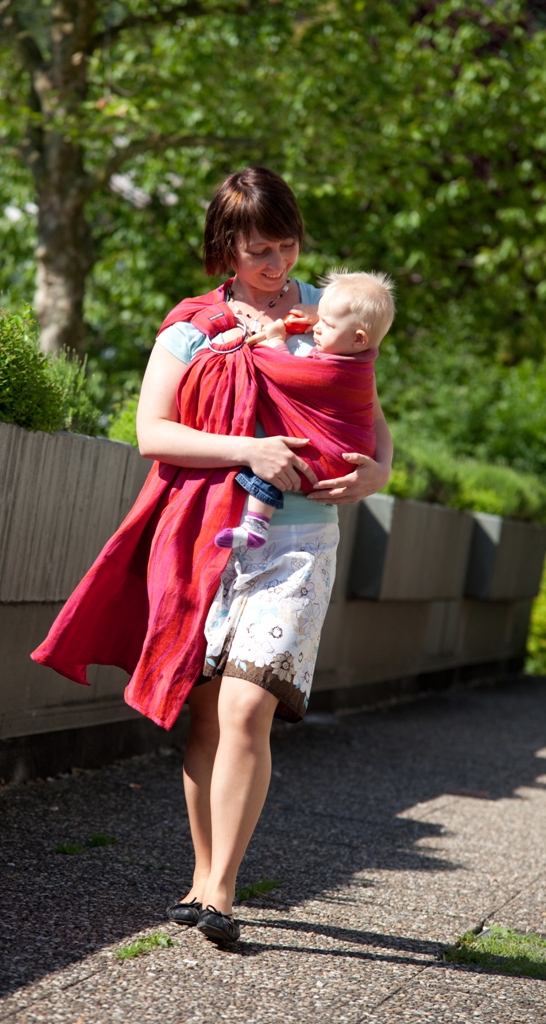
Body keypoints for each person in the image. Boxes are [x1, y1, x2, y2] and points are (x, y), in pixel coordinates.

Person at [136, 167, 393, 942]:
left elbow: (367, 410)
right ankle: (198, 879)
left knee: (250, 707)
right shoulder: (190, 327)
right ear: (226, 247)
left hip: (300, 544)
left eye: (286, 248)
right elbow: (153, 432)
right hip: (210, 539)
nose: (278, 268)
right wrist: (246, 447)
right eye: (259, 253)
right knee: (207, 719)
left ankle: (220, 892)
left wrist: (378, 471)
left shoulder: (329, 311)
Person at [213, 269, 395, 552]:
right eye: (318, 320)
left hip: (331, 459)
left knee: (272, 464)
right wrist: (318, 314)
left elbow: (288, 374)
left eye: (327, 325)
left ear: (359, 339)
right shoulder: (356, 358)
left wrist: (273, 342)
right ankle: (254, 526)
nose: (317, 328)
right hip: (347, 456)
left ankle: (255, 525)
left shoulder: (336, 372)